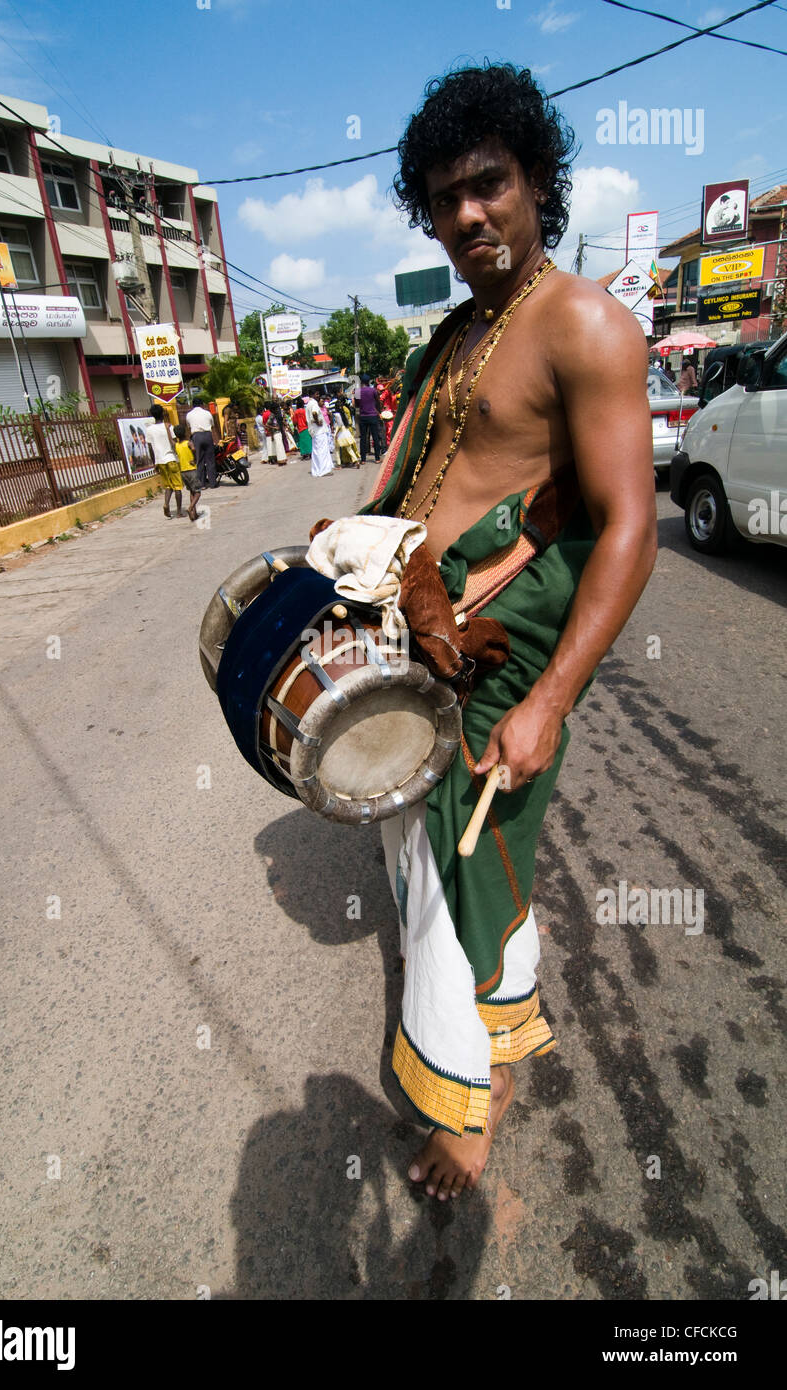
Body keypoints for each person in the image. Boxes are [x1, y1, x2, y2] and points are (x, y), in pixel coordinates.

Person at [357, 64, 656, 1201]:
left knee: (475, 867)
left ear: (538, 182)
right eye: (443, 197)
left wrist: (546, 702)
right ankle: (450, 1031)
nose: (466, 214)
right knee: (424, 858)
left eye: (488, 183)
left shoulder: (582, 323)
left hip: (503, 654)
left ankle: (473, 1106)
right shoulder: (457, 333)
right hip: (421, 633)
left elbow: (631, 526)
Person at [144, 403, 183, 517]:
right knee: (177, 486)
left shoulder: (149, 429)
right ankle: (179, 511)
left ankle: (166, 504)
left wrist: (154, 462)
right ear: (163, 414)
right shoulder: (168, 427)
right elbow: (175, 442)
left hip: (160, 461)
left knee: (168, 485)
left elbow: (150, 448)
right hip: (171, 458)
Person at [186, 398, 218, 490]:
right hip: (207, 435)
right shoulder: (207, 413)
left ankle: (202, 484)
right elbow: (212, 426)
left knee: (199, 460)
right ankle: (213, 483)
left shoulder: (189, 415)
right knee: (210, 460)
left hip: (196, 436)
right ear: (202, 404)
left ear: (193, 405)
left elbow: (189, 427)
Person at [173, 423, 202, 522]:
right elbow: (194, 449)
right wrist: (194, 458)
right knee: (198, 492)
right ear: (185, 433)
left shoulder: (177, 445)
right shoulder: (189, 443)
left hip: (183, 472)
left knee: (191, 491)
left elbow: (171, 442)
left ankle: (194, 514)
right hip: (192, 470)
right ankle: (190, 507)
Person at [306, 387, 334, 477]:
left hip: (314, 431)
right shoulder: (314, 403)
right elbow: (314, 413)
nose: (318, 396)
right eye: (317, 394)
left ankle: (318, 470)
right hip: (319, 431)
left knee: (317, 451)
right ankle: (323, 470)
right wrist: (318, 421)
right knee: (322, 451)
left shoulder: (308, 404)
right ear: (313, 395)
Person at [357, 373, 385, 462]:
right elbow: (377, 402)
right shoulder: (373, 391)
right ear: (368, 382)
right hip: (373, 416)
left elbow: (357, 405)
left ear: (361, 382)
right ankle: (377, 458)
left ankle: (363, 459)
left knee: (363, 438)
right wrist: (379, 412)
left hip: (363, 416)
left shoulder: (358, 391)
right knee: (375, 437)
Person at [333, 393, 360, 467]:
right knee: (350, 447)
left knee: (339, 449)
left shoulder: (340, 412)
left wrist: (335, 434)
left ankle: (343, 462)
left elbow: (339, 425)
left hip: (341, 432)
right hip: (348, 429)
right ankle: (355, 460)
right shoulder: (347, 408)